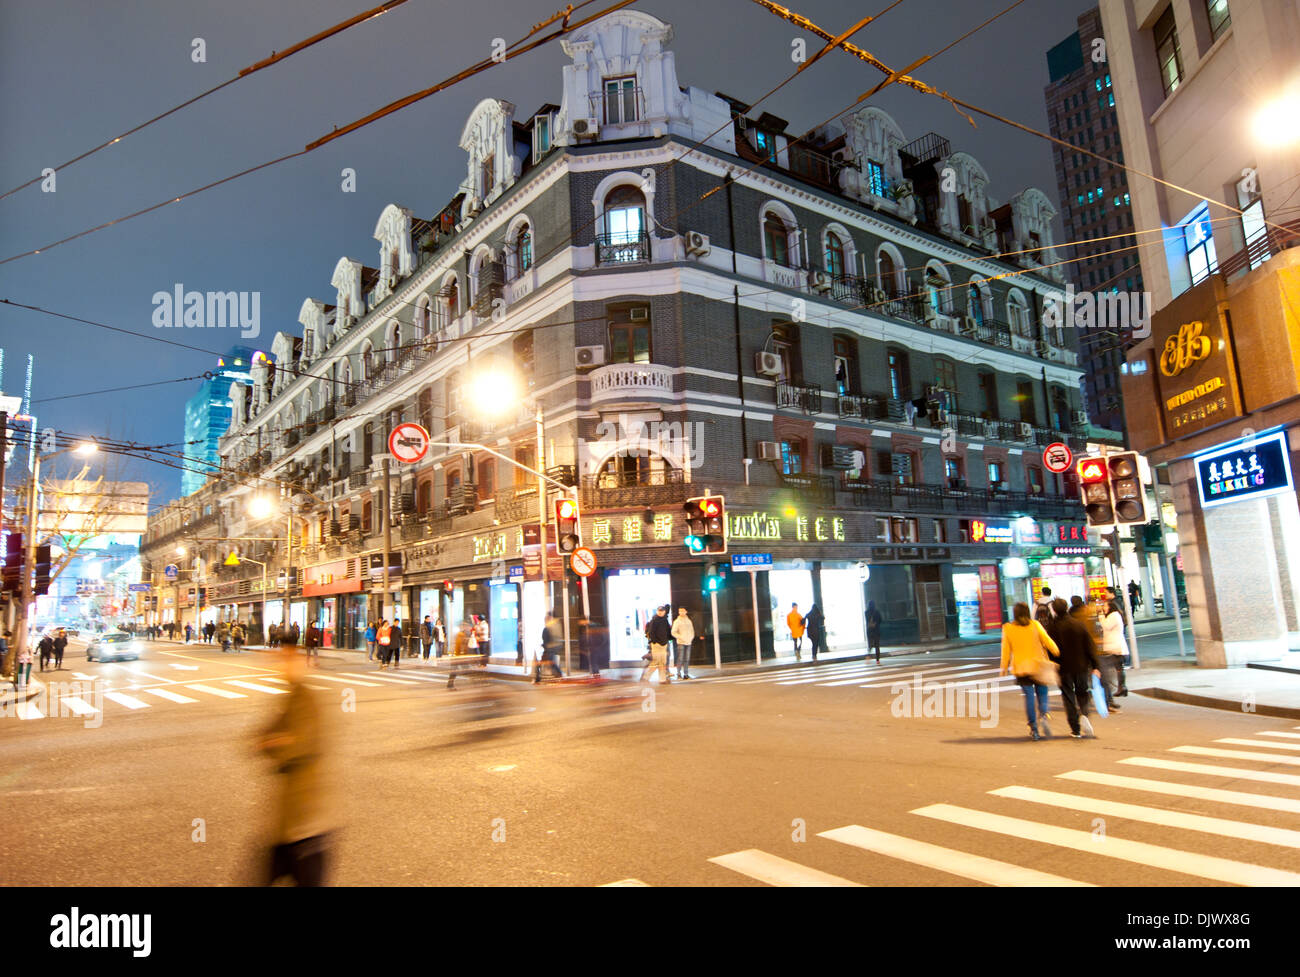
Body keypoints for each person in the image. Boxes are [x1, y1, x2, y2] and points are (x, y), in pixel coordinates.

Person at [257, 636, 335, 886]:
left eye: (286, 660)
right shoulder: (291, 696)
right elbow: (262, 738)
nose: (281, 666)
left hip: (307, 820)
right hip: (290, 819)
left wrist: (277, 743)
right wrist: (276, 741)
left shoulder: (306, 698)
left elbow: (298, 744)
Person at [999, 601, 1060, 741]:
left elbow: (1006, 649)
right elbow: (1047, 640)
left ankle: (1033, 727)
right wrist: (1055, 650)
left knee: (1029, 697)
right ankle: (1044, 715)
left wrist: (1003, 667)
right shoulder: (1035, 625)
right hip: (1038, 665)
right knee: (1042, 693)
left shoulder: (1008, 628)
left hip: (1021, 667)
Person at [1049, 598, 1103, 738]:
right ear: (1067, 607)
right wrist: (1095, 665)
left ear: (1054, 610)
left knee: (1068, 696)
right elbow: (1089, 645)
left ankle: (1075, 729)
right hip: (1080, 665)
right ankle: (1084, 714)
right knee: (1082, 692)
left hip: (1062, 667)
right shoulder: (1078, 624)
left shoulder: (1052, 628)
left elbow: (1050, 649)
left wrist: (1052, 663)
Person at [1100, 598, 1130, 710]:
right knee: (1118, 667)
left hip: (1115, 646)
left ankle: (1120, 688)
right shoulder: (1115, 615)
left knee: (1113, 668)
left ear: (1110, 607)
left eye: (1105, 606)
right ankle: (1122, 687)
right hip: (1115, 646)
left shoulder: (1113, 616)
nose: (1104, 607)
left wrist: (1101, 616)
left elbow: (1106, 626)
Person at [641, 605, 672, 684]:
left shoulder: (665, 620)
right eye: (659, 611)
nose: (660, 612)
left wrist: (668, 639)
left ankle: (662, 679)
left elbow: (668, 631)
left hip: (663, 644)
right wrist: (655, 642)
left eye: (662, 611)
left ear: (664, 612)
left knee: (662, 662)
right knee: (656, 662)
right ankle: (646, 677)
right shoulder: (654, 620)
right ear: (657, 611)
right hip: (657, 645)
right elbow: (651, 633)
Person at [537, 615, 563, 682]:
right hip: (554, 646)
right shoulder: (556, 625)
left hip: (550, 647)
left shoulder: (547, 628)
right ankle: (538, 677)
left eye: (545, 620)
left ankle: (559, 674)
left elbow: (546, 638)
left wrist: (545, 645)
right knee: (547, 661)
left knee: (549, 662)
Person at [671, 607, 695, 680]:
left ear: (686, 612)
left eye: (682, 611)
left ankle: (686, 674)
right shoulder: (677, 621)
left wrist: (691, 638)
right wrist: (681, 637)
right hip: (681, 642)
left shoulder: (689, 621)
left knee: (687, 659)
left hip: (688, 642)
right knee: (680, 658)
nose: (681, 612)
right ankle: (678, 673)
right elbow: (673, 632)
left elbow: (692, 630)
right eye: (680, 611)